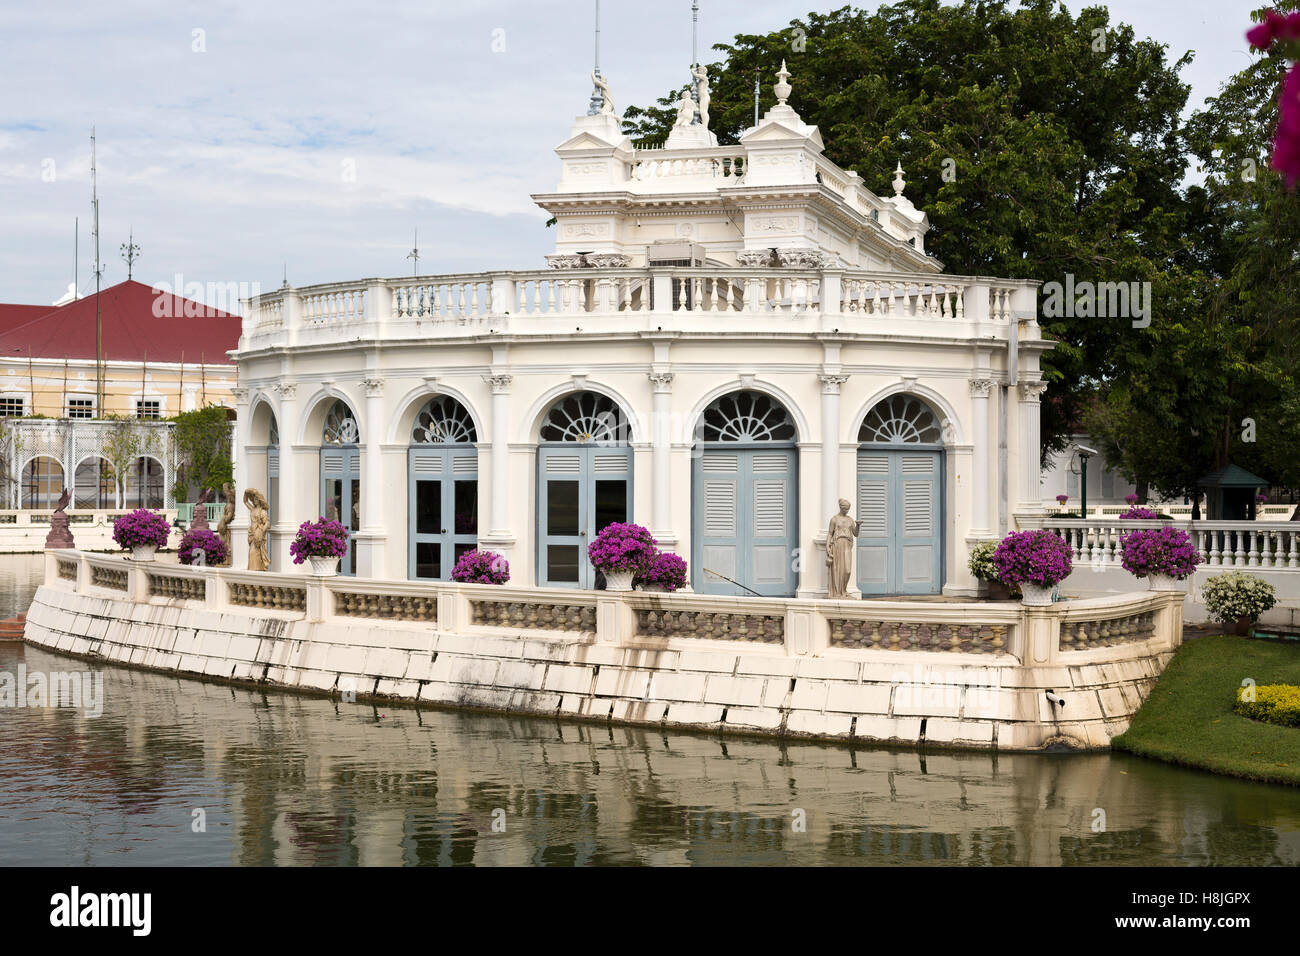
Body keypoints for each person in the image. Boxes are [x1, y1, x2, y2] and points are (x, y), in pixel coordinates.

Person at [826, 498, 859, 598]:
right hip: (837, 545)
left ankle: (844, 590)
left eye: (848, 509)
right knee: (837, 569)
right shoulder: (834, 519)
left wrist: (858, 525)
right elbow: (830, 533)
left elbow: (856, 534)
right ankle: (837, 592)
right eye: (845, 509)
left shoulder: (850, 520)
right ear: (841, 508)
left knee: (847, 570)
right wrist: (827, 546)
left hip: (847, 545)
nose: (847, 511)